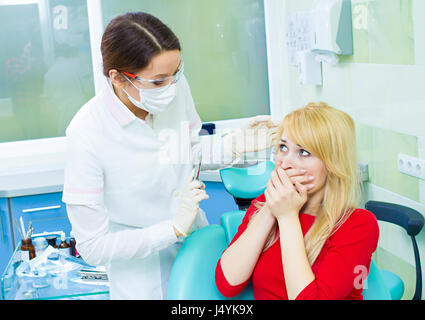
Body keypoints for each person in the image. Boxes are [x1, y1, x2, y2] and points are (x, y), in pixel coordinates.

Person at [62, 12, 277, 300]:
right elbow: (92, 247)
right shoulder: (86, 133)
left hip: (198, 249)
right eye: (159, 81)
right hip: (142, 276)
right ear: (118, 78)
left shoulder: (174, 88)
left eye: (176, 73)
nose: (171, 88)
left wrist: (235, 144)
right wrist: (171, 228)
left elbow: (182, 155)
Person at [215, 102, 379, 300]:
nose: (285, 163)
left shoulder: (357, 224)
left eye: (303, 152)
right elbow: (227, 284)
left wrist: (287, 217)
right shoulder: (265, 203)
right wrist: (270, 209)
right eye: (283, 147)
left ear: (332, 164)